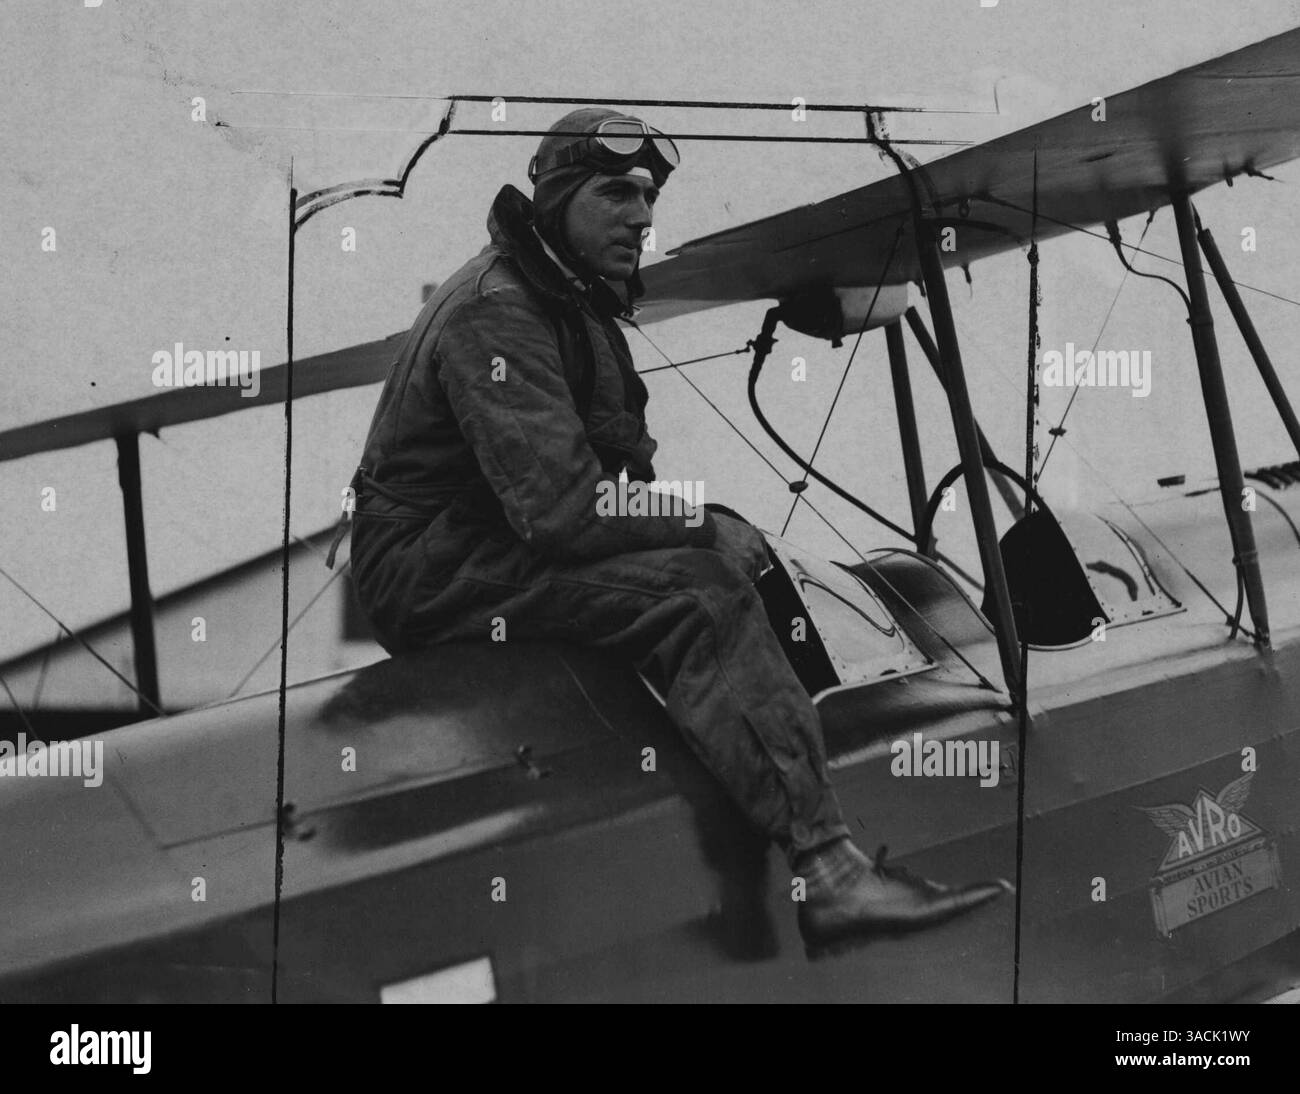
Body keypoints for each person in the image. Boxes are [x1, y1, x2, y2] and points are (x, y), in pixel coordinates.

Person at [348, 107, 1010, 956]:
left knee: (713, 550)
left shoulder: (564, 293)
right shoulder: (498, 313)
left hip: (483, 543)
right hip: (433, 570)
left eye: (650, 195)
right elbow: (562, 511)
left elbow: (606, 484)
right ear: (556, 199)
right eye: (618, 192)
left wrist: (697, 523)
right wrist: (698, 528)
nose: (643, 215)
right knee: (700, 595)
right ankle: (833, 875)